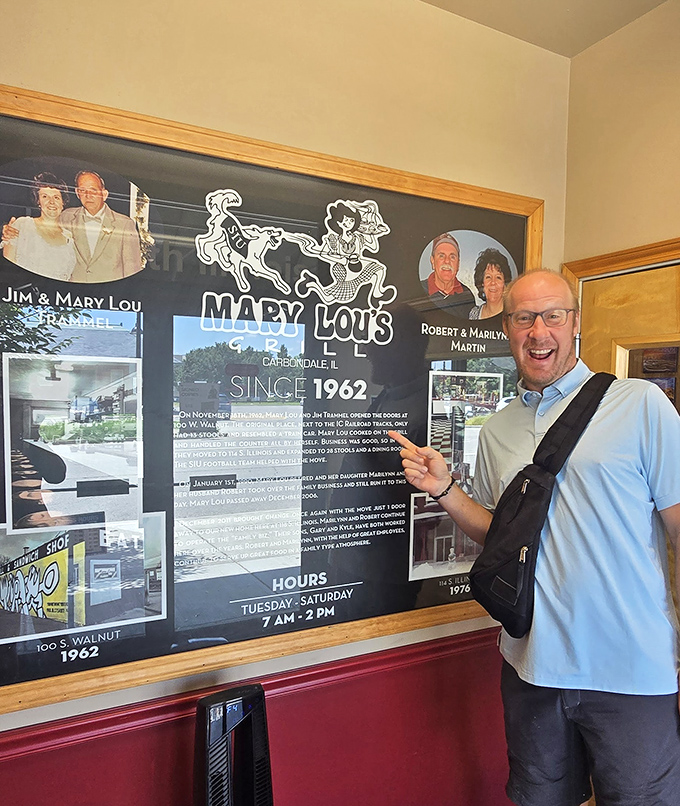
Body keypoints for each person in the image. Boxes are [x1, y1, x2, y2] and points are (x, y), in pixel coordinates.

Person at [390, 269, 680, 806]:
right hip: (532, 665)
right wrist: (445, 489)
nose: (538, 331)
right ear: (507, 328)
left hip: (632, 669)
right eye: (524, 318)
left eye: (552, 315)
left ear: (576, 323)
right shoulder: (498, 429)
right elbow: (502, 533)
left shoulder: (640, 405)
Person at [3, 170, 142, 283]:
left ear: (104, 194)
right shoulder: (67, 217)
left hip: (108, 300)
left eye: (93, 190)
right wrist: (7, 231)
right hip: (69, 299)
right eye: (82, 190)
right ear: (77, 193)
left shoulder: (124, 224)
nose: (88, 195)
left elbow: (132, 272)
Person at [2, 172, 76, 281]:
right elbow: (7, 268)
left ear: (63, 203)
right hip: (24, 295)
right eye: (45, 196)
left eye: (56, 197)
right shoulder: (23, 225)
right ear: (38, 201)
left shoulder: (70, 237)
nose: (51, 202)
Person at [425, 233, 475, 316]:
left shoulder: (467, 296)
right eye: (441, 256)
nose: (447, 261)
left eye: (452, 257)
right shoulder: (418, 291)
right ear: (433, 261)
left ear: (458, 264)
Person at [468, 247, 512, 320]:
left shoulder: (512, 316)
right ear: (482, 283)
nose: (493, 282)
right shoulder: (474, 314)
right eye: (488, 277)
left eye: (498, 277)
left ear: (505, 283)